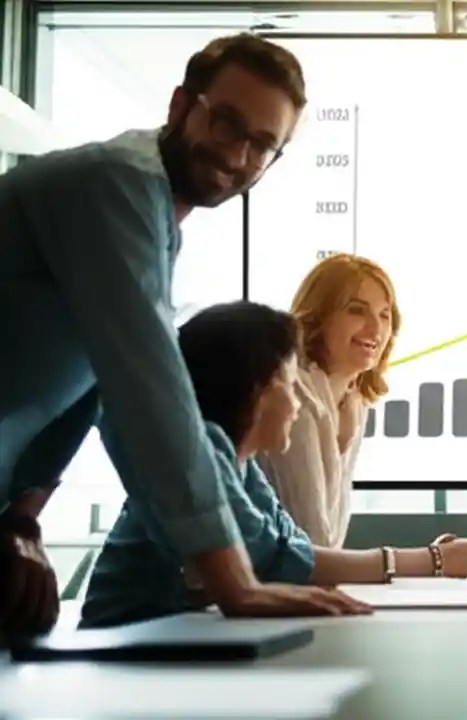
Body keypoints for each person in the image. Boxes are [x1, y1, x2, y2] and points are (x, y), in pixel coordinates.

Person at [0, 33, 350, 639]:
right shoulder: (115, 184)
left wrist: (23, 518)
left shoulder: (157, 222)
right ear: (180, 106)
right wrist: (235, 582)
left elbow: (98, 389)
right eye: (226, 125)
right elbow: (146, 392)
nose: (238, 157)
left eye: (263, 145)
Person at [80, 302, 467, 629]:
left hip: (179, 638)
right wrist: (429, 561)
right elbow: (279, 561)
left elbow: (289, 549)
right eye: (289, 385)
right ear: (255, 389)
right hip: (132, 649)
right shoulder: (204, 452)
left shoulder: (242, 465)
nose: (296, 403)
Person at [259, 254, 398, 549]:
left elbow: (329, 542)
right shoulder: (295, 398)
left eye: (385, 315)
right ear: (319, 318)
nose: (376, 329)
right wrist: (431, 559)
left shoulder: (352, 401)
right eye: (357, 311)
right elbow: (312, 544)